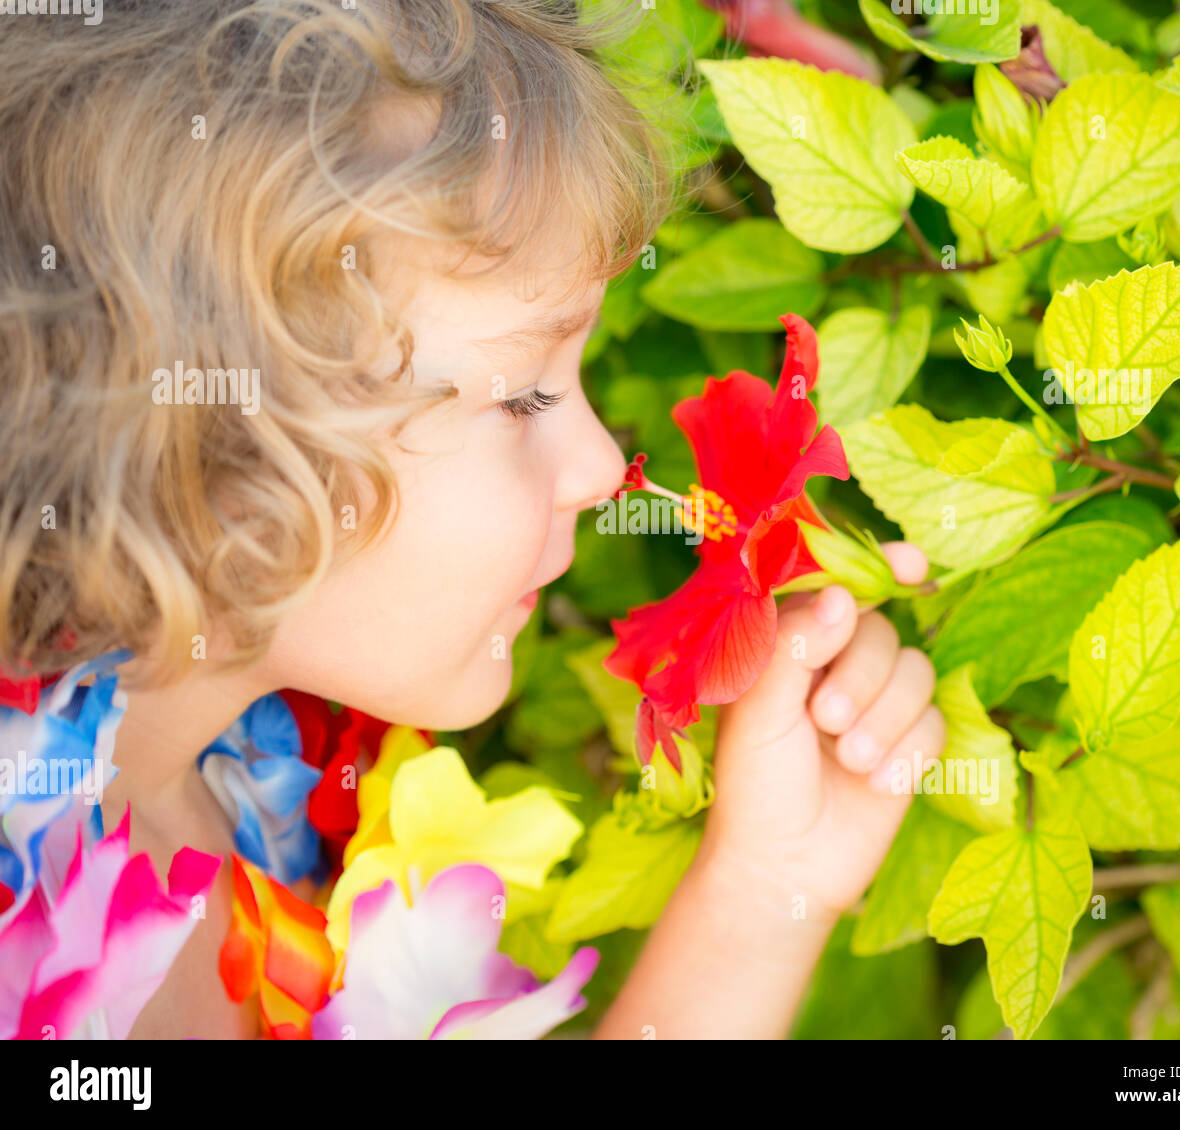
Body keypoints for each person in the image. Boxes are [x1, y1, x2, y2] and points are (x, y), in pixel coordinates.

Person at [0, 0, 942, 1039]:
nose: (598, 466)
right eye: (523, 395)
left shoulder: (284, 769)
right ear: (209, 457)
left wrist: (764, 886)